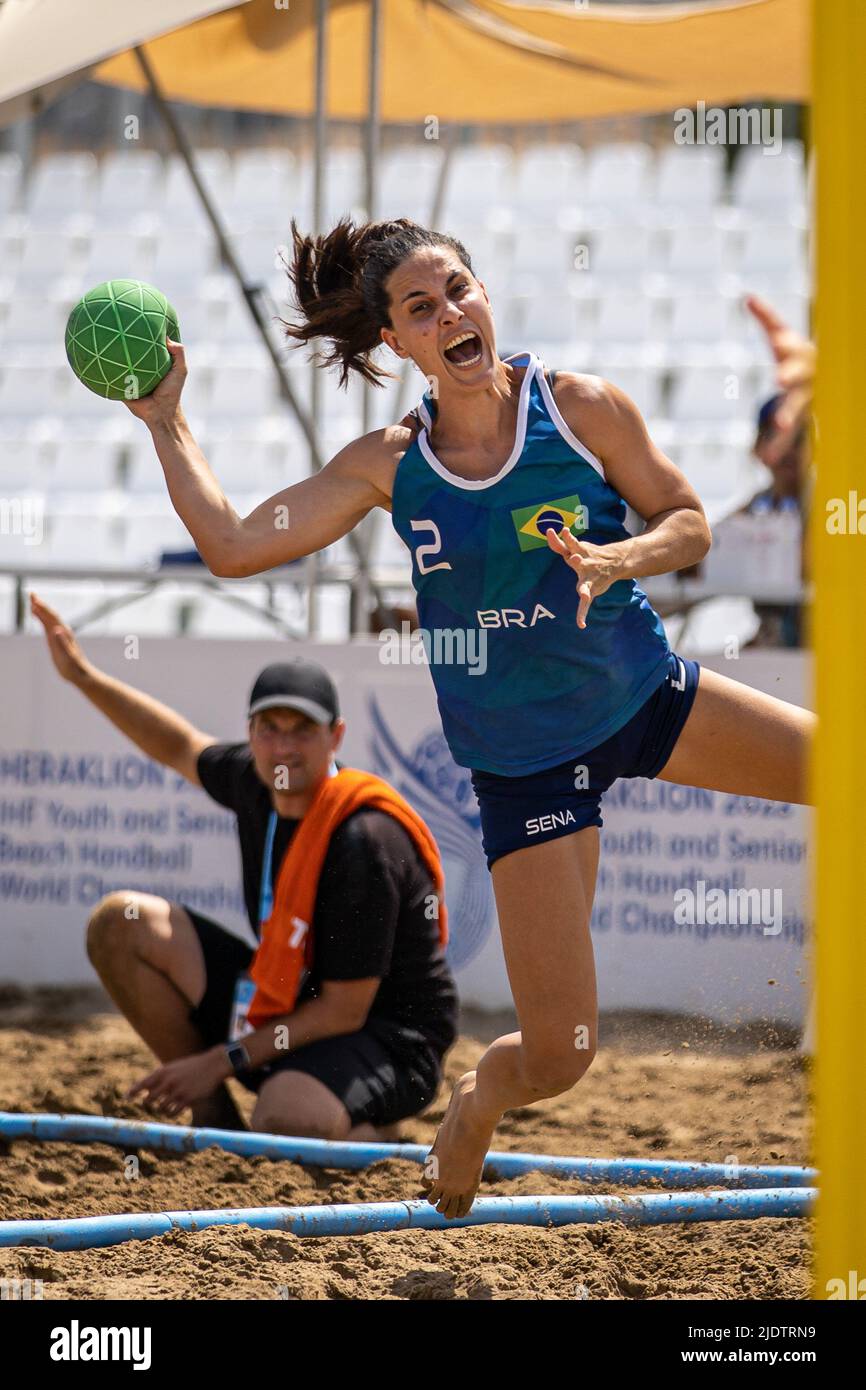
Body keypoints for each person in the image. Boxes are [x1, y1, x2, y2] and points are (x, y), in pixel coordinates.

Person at [124, 216, 816, 1219]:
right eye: (419, 307)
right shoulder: (388, 465)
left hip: (641, 696)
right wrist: (166, 422)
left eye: (457, 288)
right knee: (558, 1055)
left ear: (484, 295)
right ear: (395, 344)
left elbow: (689, 519)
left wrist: (618, 558)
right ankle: (478, 1098)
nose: (449, 312)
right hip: (527, 768)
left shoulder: (578, 408)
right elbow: (232, 545)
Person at [30, 591, 459, 1141]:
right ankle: (213, 1119)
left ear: (337, 737)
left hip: (388, 1035)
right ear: (251, 731)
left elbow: (343, 1011)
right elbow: (177, 744)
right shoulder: (257, 777)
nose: (282, 746)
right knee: (122, 922)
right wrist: (83, 677)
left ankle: (370, 1131)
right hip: (288, 996)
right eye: (268, 727)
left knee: (284, 1117)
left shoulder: (362, 838)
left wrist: (216, 1060)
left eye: (301, 729)